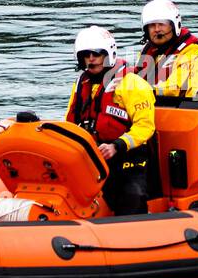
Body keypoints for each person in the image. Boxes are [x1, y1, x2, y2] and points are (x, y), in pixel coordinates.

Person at [66, 26, 156, 216]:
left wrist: (116, 146)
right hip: (92, 159)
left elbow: (145, 126)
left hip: (128, 160)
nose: (91, 59)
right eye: (86, 54)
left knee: (133, 195)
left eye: (96, 54)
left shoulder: (132, 83)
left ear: (108, 54)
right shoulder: (81, 85)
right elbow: (70, 123)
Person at [136, 0, 198, 101]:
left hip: (181, 109)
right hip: (150, 107)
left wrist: (140, 90)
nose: (157, 29)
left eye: (161, 24)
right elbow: (137, 76)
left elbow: (175, 87)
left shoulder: (192, 51)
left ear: (174, 25)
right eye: (152, 25)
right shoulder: (147, 50)